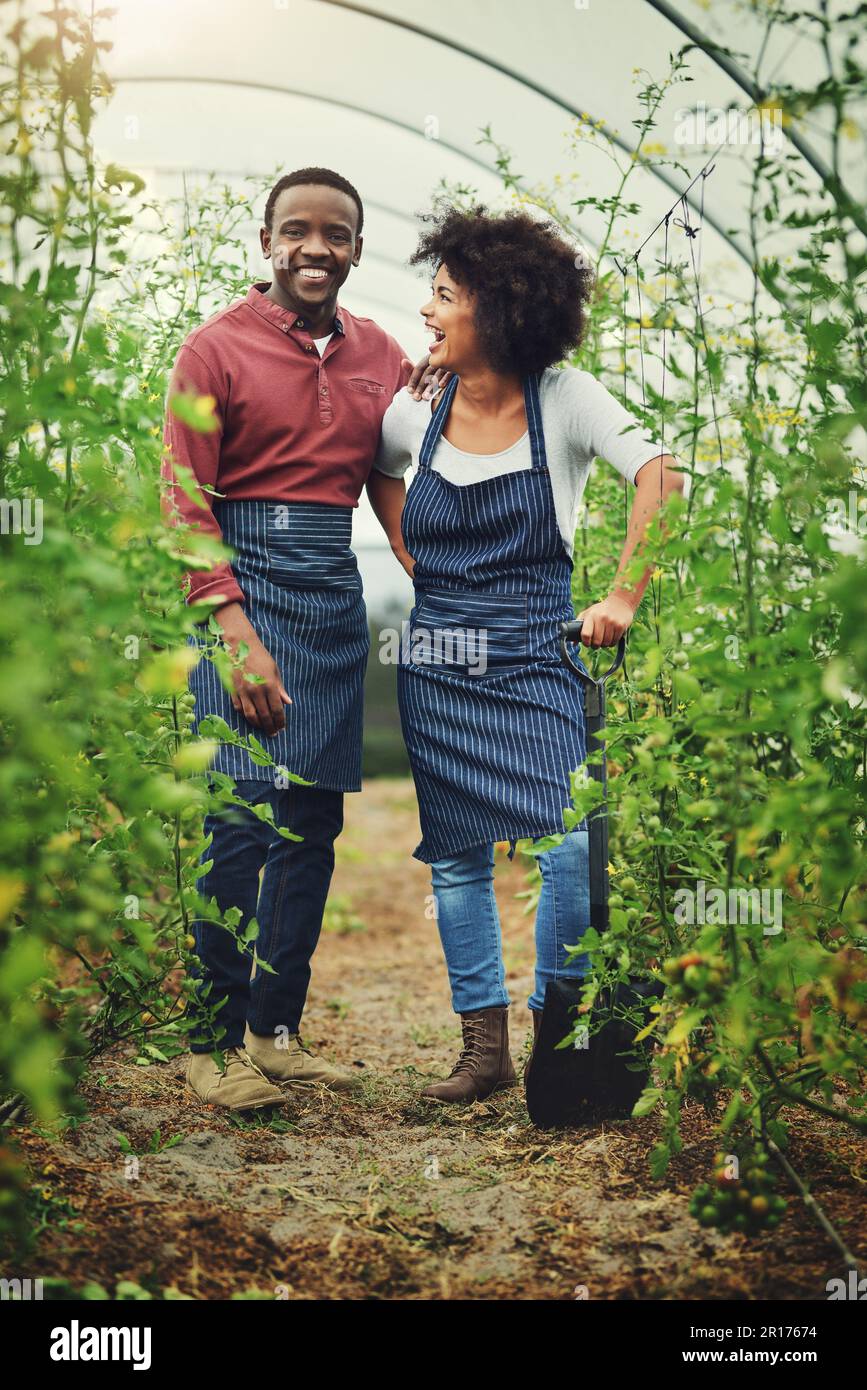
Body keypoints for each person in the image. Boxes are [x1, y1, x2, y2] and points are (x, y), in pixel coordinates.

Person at [369, 204, 684, 1104]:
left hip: (539, 650)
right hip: (438, 657)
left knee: (569, 844)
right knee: (458, 853)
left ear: (498, 309)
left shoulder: (564, 399)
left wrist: (622, 594)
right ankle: (482, 1048)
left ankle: (561, 1034)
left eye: (443, 296)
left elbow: (661, 473)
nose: (427, 313)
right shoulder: (417, 404)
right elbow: (378, 470)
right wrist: (404, 552)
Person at [162, 167, 435, 1110]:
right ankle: (206, 1045)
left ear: (358, 247)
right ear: (267, 239)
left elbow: (390, 474)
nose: (316, 247)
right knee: (238, 817)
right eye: (297, 230)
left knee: (312, 821)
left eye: (337, 233)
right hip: (238, 585)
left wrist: (417, 563)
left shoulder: (381, 354)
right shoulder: (213, 351)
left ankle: (274, 1032)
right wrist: (233, 627)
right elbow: (183, 504)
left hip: (329, 594)